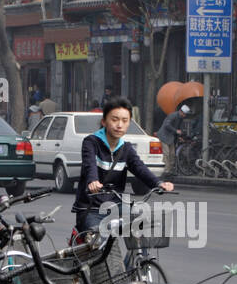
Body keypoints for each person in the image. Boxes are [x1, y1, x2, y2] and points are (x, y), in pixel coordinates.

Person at [73, 97, 173, 237]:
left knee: (144, 222)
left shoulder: (126, 148)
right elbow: (90, 164)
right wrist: (93, 181)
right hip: (91, 208)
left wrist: (158, 183)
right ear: (104, 121)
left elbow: (140, 168)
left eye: (124, 121)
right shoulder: (91, 142)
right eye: (114, 120)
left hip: (116, 206)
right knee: (96, 244)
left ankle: (139, 258)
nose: (119, 125)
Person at [158, 104, 191, 170]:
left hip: (171, 137)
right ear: (181, 112)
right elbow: (167, 125)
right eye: (184, 114)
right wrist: (176, 131)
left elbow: (178, 129)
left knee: (172, 154)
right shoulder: (173, 116)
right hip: (164, 136)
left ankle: (170, 169)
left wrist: (179, 136)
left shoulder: (181, 118)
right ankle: (166, 170)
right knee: (166, 153)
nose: (185, 116)